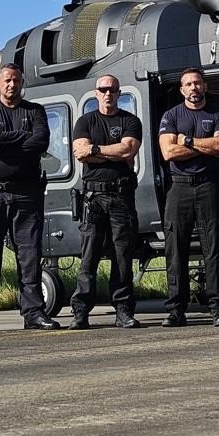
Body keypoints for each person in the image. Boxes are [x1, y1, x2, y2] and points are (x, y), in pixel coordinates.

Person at [0, 63, 60, 334]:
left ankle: (33, 313)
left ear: (21, 83)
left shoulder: (35, 111)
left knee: (30, 256)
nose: (11, 85)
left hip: (27, 193)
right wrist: (21, 138)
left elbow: (40, 142)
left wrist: (3, 143)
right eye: (7, 80)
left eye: (16, 80)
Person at [158, 68, 219, 327]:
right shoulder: (171, 116)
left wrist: (188, 141)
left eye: (197, 83)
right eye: (188, 84)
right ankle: (176, 309)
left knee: (214, 249)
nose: (193, 87)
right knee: (175, 250)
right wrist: (204, 145)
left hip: (208, 187)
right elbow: (168, 152)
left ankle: (218, 308)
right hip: (179, 187)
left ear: (205, 86)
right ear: (182, 89)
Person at [68, 75, 145, 330]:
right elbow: (80, 152)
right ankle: (80, 313)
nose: (108, 93)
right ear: (96, 93)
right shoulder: (85, 121)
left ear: (119, 92)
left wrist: (95, 150)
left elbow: (128, 150)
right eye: (103, 89)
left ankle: (123, 311)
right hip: (93, 198)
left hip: (121, 197)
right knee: (88, 257)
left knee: (122, 256)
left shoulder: (130, 121)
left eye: (112, 89)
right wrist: (107, 151)